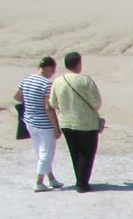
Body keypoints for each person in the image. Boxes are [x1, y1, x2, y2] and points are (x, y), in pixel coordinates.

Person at [47, 50, 103, 193]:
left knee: (75, 152)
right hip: (86, 123)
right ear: (78, 64)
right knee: (87, 153)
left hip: (66, 122)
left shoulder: (58, 81)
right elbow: (97, 102)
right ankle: (82, 183)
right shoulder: (85, 80)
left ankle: (80, 180)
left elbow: (53, 102)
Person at [14, 56, 63, 192]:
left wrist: (30, 103)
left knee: (39, 152)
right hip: (44, 124)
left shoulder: (27, 78)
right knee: (47, 153)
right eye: (53, 69)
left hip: (29, 121)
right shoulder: (46, 84)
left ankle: (51, 178)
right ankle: (39, 182)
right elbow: (49, 107)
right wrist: (56, 127)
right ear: (48, 68)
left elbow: (17, 97)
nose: (53, 72)